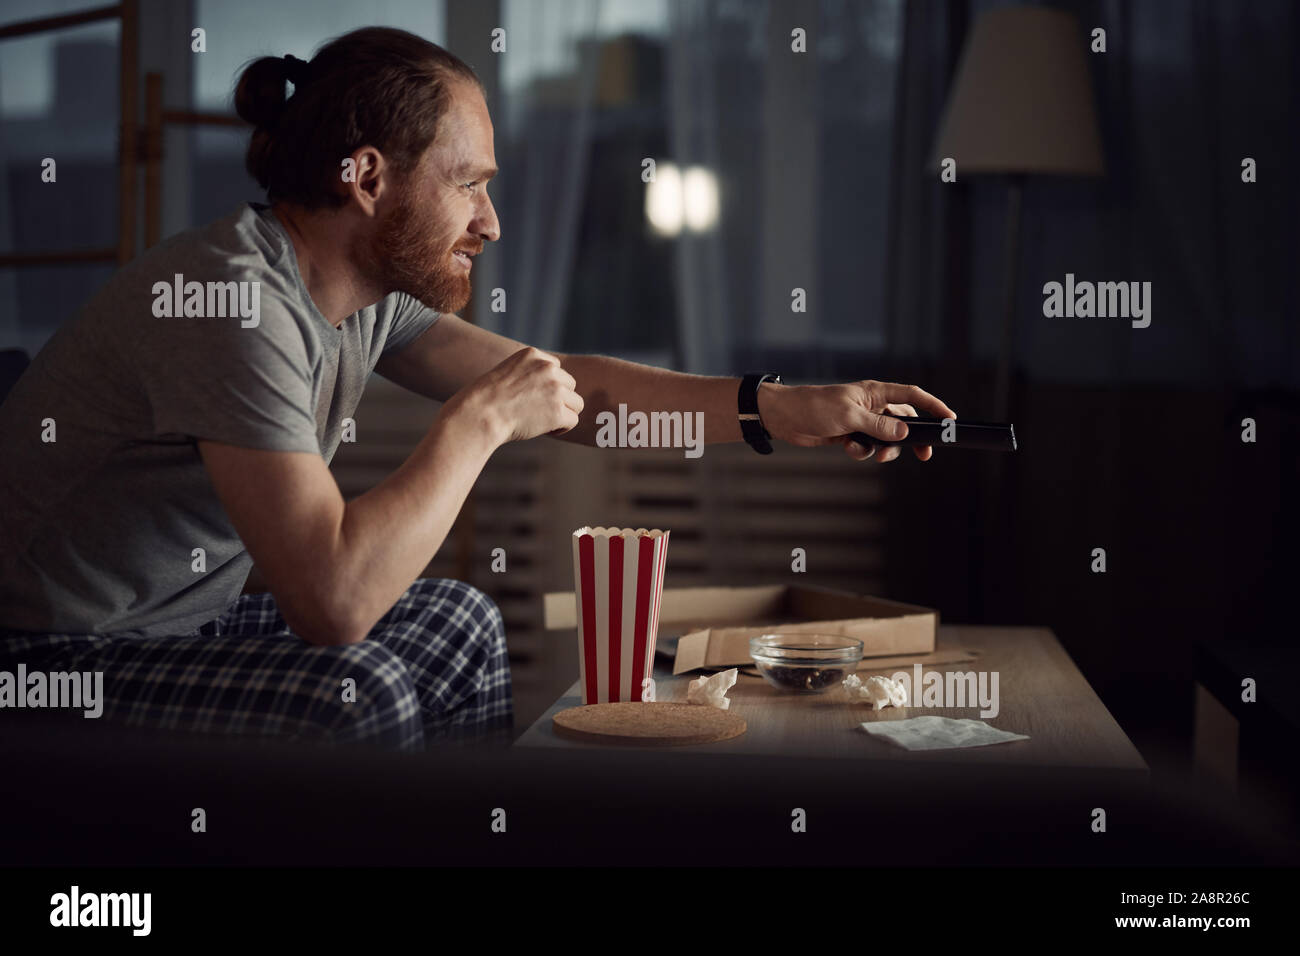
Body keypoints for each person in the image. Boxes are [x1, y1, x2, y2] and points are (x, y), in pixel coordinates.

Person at [0, 27, 955, 751]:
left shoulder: (360, 293)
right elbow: (331, 604)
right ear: (369, 177)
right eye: (470, 186)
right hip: (50, 658)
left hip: (174, 624)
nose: (490, 221)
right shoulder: (233, 307)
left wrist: (782, 408)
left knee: (458, 621)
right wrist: (479, 421)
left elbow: (576, 392)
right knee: (363, 687)